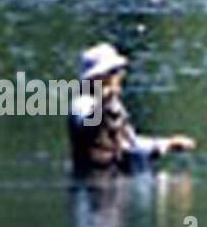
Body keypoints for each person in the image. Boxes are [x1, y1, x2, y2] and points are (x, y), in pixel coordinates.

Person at [68, 43, 196, 174]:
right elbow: (85, 123)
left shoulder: (114, 105)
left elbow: (130, 143)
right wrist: (103, 101)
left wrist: (167, 144)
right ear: (98, 77)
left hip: (115, 178)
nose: (120, 75)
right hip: (92, 179)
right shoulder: (82, 103)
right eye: (114, 71)